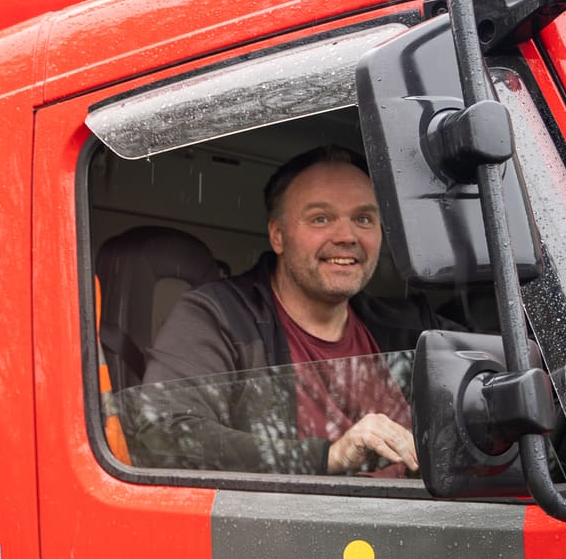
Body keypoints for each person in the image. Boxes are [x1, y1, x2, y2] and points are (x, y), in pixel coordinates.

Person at [131, 145, 449, 476]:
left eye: (363, 218)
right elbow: (162, 438)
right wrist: (329, 457)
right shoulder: (217, 316)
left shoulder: (413, 327)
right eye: (321, 218)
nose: (347, 236)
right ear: (278, 236)